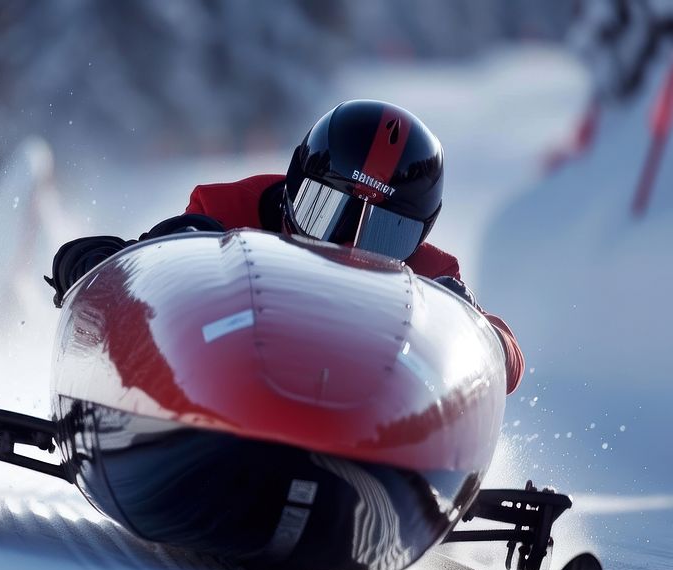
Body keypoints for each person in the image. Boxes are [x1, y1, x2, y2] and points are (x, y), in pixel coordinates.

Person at [46, 100, 524, 394]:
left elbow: (507, 361)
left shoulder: (429, 274)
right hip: (218, 377)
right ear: (295, 187)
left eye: (385, 232)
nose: (348, 246)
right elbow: (140, 266)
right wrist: (105, 265)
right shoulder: (227, 210)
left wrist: (468, 326)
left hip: (360, 409)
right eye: (325, 210)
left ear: (419, 234)